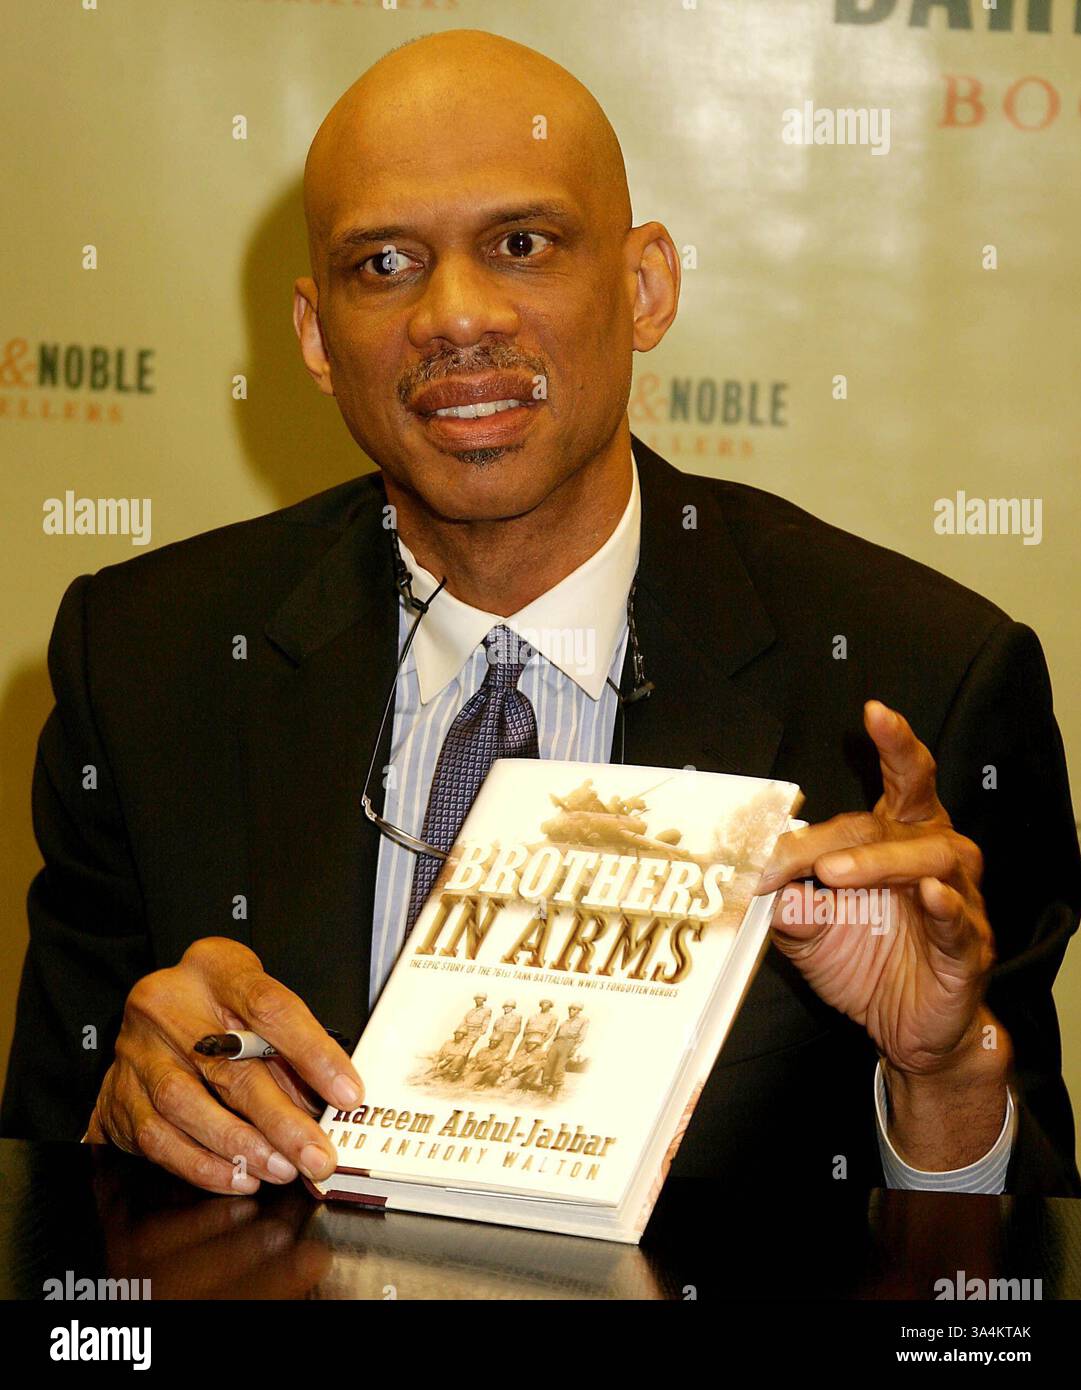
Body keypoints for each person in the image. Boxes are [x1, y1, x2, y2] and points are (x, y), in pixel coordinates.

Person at [2, 30, 1078, 1204]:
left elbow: (1000, 1305)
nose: (455, 318)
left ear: (644, 286)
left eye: (521, 244)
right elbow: (50, 1207)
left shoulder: (917, 679)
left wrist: (940, 1076)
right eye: (384, 265)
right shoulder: (147, 661)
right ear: (315, 338)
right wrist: (125, 1115)